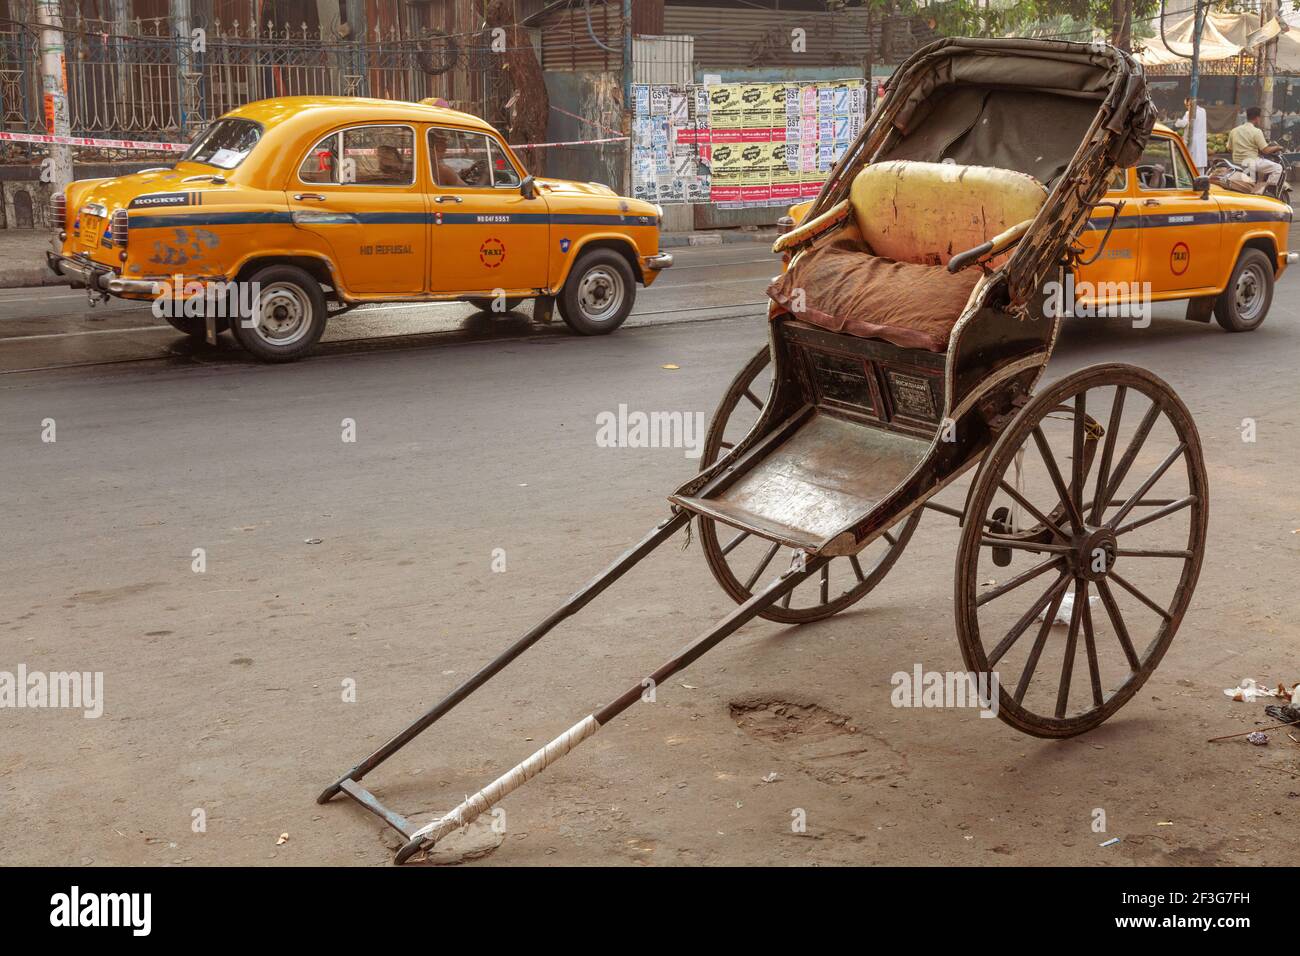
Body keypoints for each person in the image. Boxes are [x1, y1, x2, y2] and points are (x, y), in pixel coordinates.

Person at [1228, 106, 1284, 193]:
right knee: (1278, 168)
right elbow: (1265, 150)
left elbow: (1229, 148)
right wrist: (1278, 147)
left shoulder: (1234, 131)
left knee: (1262, 166)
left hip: (1237, 162)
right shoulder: (1256, 131)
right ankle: (1267, 190)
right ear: (1257, 118)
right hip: (1251, 162)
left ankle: (1259, 187)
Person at [1175, 97, 1207, 170]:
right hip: (1200, 142)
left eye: (1187, 105)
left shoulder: (1189, 113)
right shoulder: (1203, 111)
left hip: (1192, 142)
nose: (1186, 107)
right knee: (1199, 168)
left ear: (1191, 103)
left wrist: (1177, 121)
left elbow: (1183, 124)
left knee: (1190, 166)